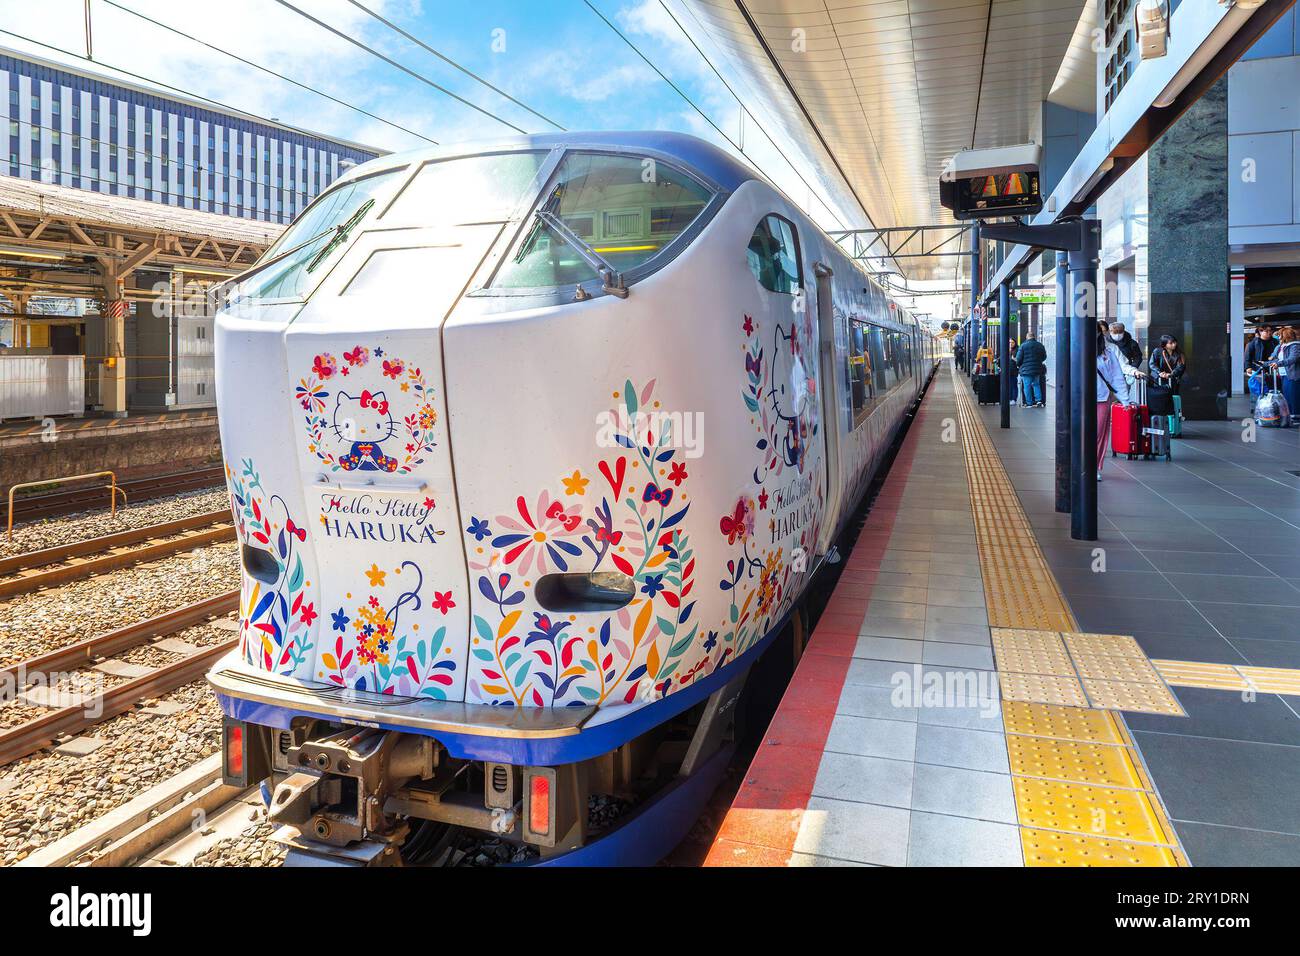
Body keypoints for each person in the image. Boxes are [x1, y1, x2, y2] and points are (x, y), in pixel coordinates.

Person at [1096, 320, 1136, 480]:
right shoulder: (1076, 349)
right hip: (1079, 399)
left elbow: (1116, 376)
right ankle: (1079, 463)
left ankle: (1094, 466)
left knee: (1098, 434)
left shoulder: (1109, 351)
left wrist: (1125, 400)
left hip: (1102, 398)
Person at [1147, 334, 1185, 419]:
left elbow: (1181, 367)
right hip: (1158, 381)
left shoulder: (1179, 353)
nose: (1174, 344)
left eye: (1175, 342)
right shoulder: (1157, 351)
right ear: (1165, 344)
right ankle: (1159, 419)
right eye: (1171, 343)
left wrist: (1171, 374)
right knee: (1160, 399)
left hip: (1172, 381)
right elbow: (1152, 364)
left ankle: (1173, 419)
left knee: (1172, 400)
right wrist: (1160, 373)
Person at [1269, 326, 1300, 425]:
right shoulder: (1283, 346)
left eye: (1280, 335)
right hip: (1284, 375)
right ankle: (1290, 416)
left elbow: (1293, 359)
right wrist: (1264, 363)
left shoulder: (1295, 346)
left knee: (1293, 397)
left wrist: (1278, 364)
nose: (1278, 337)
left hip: (1293, 375)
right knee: (1287, 396)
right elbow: (1278, 359)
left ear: (1285, 336)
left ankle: (1296, 417)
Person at [1015, 332, 1048, 407]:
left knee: (1027, 386)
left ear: (1027, 337)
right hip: (1037, 369)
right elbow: (1044, 357)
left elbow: (1018, 359)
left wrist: (1019, 365)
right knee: (1036, 384)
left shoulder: (1023, 346)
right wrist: (1038, 361)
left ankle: (1029, 403)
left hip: (1026, 370)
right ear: (1034, 337)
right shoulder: (1040, 345)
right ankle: (1039, 401)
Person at [1246, 326, 1277, 395]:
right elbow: (1248, 356)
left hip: (1272, 367)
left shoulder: (1275, 342)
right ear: (1260, 332)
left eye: (1270, 330)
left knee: (1271, 386)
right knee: (1258, 386)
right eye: (1266, 331)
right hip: (1258, 367)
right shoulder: (1254, 342)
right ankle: (1260, 401)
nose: (1269, 332)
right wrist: (1248, 367)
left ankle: (1270, 402)